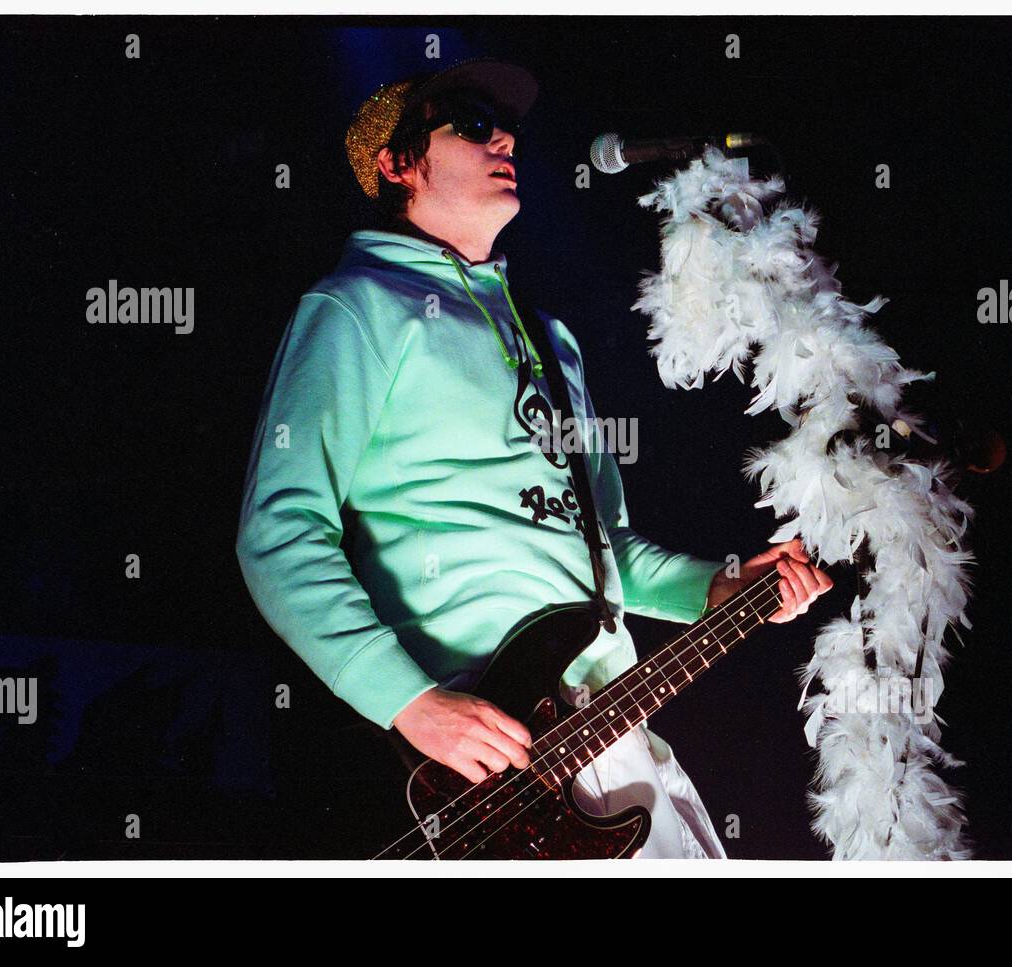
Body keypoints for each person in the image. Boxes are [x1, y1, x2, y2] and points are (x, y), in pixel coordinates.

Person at [235, 57, 833, 859]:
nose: (506, 135)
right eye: (473, 124)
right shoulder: (357, 307)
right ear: (397, 163)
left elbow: (607, 552)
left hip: (612, 736)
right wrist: (408, 701)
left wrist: (721, 587)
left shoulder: (554, 342)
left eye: (505, 123)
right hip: (485, 762)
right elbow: (278, 532)